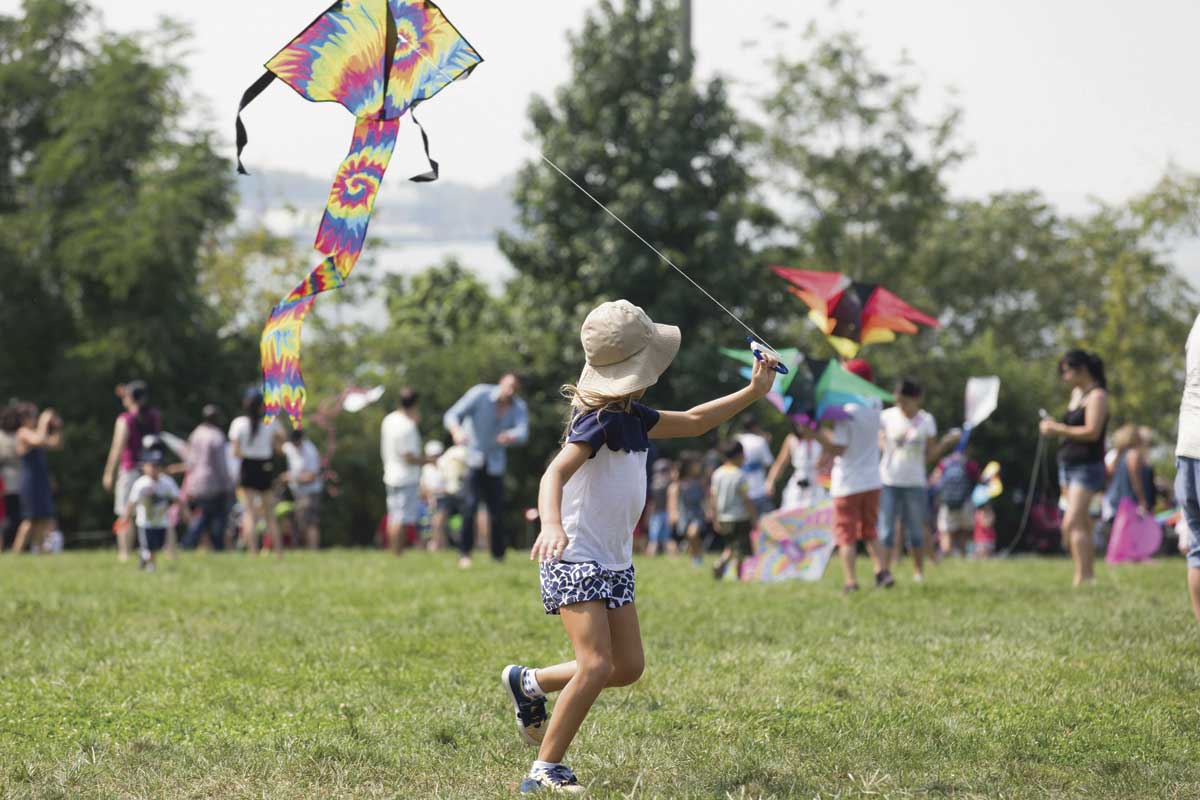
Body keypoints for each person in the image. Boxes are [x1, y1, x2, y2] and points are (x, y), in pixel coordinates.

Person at [500, 299, 777, 794]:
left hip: (614, 560)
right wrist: (551, 524)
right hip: (576, 555)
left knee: (627, 668)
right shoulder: (598, 420)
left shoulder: (634, 416)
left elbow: (694, 420)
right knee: (596, 665)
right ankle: (545, 769)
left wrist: (754, 391)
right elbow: (554, 473)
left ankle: (530, 683)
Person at [806, 358, 891, 594]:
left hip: (848, 482)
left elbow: (839, 449)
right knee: (870, 530)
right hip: (872, 479)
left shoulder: (847, 412)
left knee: (846, 534)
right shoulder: (875, 403)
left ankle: (851, 582)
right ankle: (882, 571)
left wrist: (816, 433)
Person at [877, 379, 960, 582]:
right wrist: (886, 444)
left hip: (915, 482)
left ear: (916, 399)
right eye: (897, 402)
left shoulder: (926, 420)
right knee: (886, 529)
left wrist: (945, 443)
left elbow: (930, 455)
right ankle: (884, 572)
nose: (901, 406)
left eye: (904, 401)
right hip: (889, 480)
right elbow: (879, 442)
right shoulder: (886, 417)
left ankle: (918, 572)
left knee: (916, 528)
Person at [444, 372, 529, 566]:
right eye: (509, 385)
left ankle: (498, 556)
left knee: (497, 512)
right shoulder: (479, 394)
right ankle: (464, 554)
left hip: (495, 464)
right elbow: (451, 415)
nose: (511, 390)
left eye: (515, 388)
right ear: (501, 382)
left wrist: (511, 436)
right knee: (469, 507)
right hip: (472, 460)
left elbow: (523, 432)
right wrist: (456, 431)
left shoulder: (518, 407)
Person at [1040, 349, 1109, 586]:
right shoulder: (1076, 394)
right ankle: (1086, 575)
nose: (1064, 376)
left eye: (1066, 370)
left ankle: (1082, 576)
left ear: (1081, 369)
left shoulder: (1097, 396)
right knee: (1081, 524)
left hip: (1087, 467)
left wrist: (1057, 429)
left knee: (1070, 521)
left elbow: (1092, 432)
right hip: (1067, 465)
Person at [102, 381, 162, 562]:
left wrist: (108, 473)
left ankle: (125, 552)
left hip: (129, 471)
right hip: (150, 471)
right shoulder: (154, 416)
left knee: (125, 512)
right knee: (150, 514)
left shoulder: (125, 419)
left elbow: (117, 447)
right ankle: (150, 550)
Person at [229, 389, 284, 557]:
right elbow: (281, 439)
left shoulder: (238, 423)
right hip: (265, 466)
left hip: (248, 467)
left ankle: (253, 552)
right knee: (270, 514)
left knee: (249, 513)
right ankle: (278, 553)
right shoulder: (271, 422)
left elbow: (235, 452)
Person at [10, 403, 63, 555]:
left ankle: (39, 551)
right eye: (34, 415)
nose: (36, 418)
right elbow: (39, 440)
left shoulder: (35, 432)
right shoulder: (23, 432)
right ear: (24, 418)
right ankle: (16, 553)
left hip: (41, 480)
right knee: (30, 520)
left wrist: (56, 427)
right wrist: (44, 422)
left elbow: (56, 444)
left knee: (43, 519)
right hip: (30, 481)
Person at [182, 404, 235, 551]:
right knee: (215, 518)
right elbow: (221, 465)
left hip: (196, 483)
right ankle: (214, 546)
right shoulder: (216, 436)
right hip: (213, 484)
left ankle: (189, 543)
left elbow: (190, 461)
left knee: (203, 515)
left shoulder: (196, 433)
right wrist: (228, 484)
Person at [122, 447, 181, 571]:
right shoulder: (140, 484)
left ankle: (144, 556)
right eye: (152, 465)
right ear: (145, 467)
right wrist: (125, 519)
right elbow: (131, 502)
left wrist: (184, 513)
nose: (154, 469)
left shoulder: (167, 482)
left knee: (157, 546)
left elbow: (177, 498)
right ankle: (151, 567)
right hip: (145, 522)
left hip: (161, 522)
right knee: (149, 546)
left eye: (157, 466)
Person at [382, 388, 423, 555]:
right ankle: (398, 553)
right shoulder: (407, 426)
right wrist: (429, 460)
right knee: (401, 518)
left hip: (390, 474)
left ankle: (394, 552)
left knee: (393, 516)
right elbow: (409, 457)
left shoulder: (389, 419)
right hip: (405, 477)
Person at [710, 440, 757, 580]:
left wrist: (714, 518)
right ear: (739, 456)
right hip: (740, 517)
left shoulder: (717, 474)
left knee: (730, 546)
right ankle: (738, 576)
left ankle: (720, 563)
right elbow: (745, 499)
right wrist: (753, 516)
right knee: (741, 550)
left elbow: (712, 497)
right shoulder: (740, 475)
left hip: (723, 517)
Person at [766, 420, 827, 510]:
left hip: (818, 482)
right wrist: (770, 481)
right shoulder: (791, 439)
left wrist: (825, 458)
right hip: (798, 483)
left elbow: (836, 451)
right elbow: (780, 463)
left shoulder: (822, 436)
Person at [932, 451, 981, 557]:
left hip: (947, 503)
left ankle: (946, 557)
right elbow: (978, 479)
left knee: (946, 532)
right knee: (965, 531)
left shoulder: (944, 463)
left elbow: (934, 480)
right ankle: (963, 556)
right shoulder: (968, 463)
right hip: (965, 502)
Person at [282, 428, 324, 550]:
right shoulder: (289, 447)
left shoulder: (310, 450)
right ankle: (305, 548)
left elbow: (312, 476)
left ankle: (313, 549)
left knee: (310, 522)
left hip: (311, 491)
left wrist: (291, 478)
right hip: (298, 492)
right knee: (301, 522)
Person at [668, 453, 708, 566]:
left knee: (693, 533)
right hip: (684, 515)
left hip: (697, 513)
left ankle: (697, 558)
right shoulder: (679, 484)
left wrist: (709, 510)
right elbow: (673, 498)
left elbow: (706, 497)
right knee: (690, 539)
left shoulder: (699, 482)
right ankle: (695, 559)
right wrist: (673, 513)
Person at [736, 417, 774, 515]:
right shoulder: (760, 441)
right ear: (755, 426)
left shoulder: (737, 440)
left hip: (741, 490)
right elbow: (768, 462)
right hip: (759, 487)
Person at [0, 405, 23, 551]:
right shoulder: (12, 436)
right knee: (10, 517)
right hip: (8, 481)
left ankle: (14, 544)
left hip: (15, 480)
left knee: (14, 516)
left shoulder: (18, 435)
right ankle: (9, 544)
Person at [645, 458, 674, 556]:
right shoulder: (669, 484)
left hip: (656, 514)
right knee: (666, 538)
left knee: (654, 539)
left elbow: (651, 503)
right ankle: (672, 558)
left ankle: (650, 557)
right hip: (665, 513)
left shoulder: (653, 484)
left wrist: (648, 516)